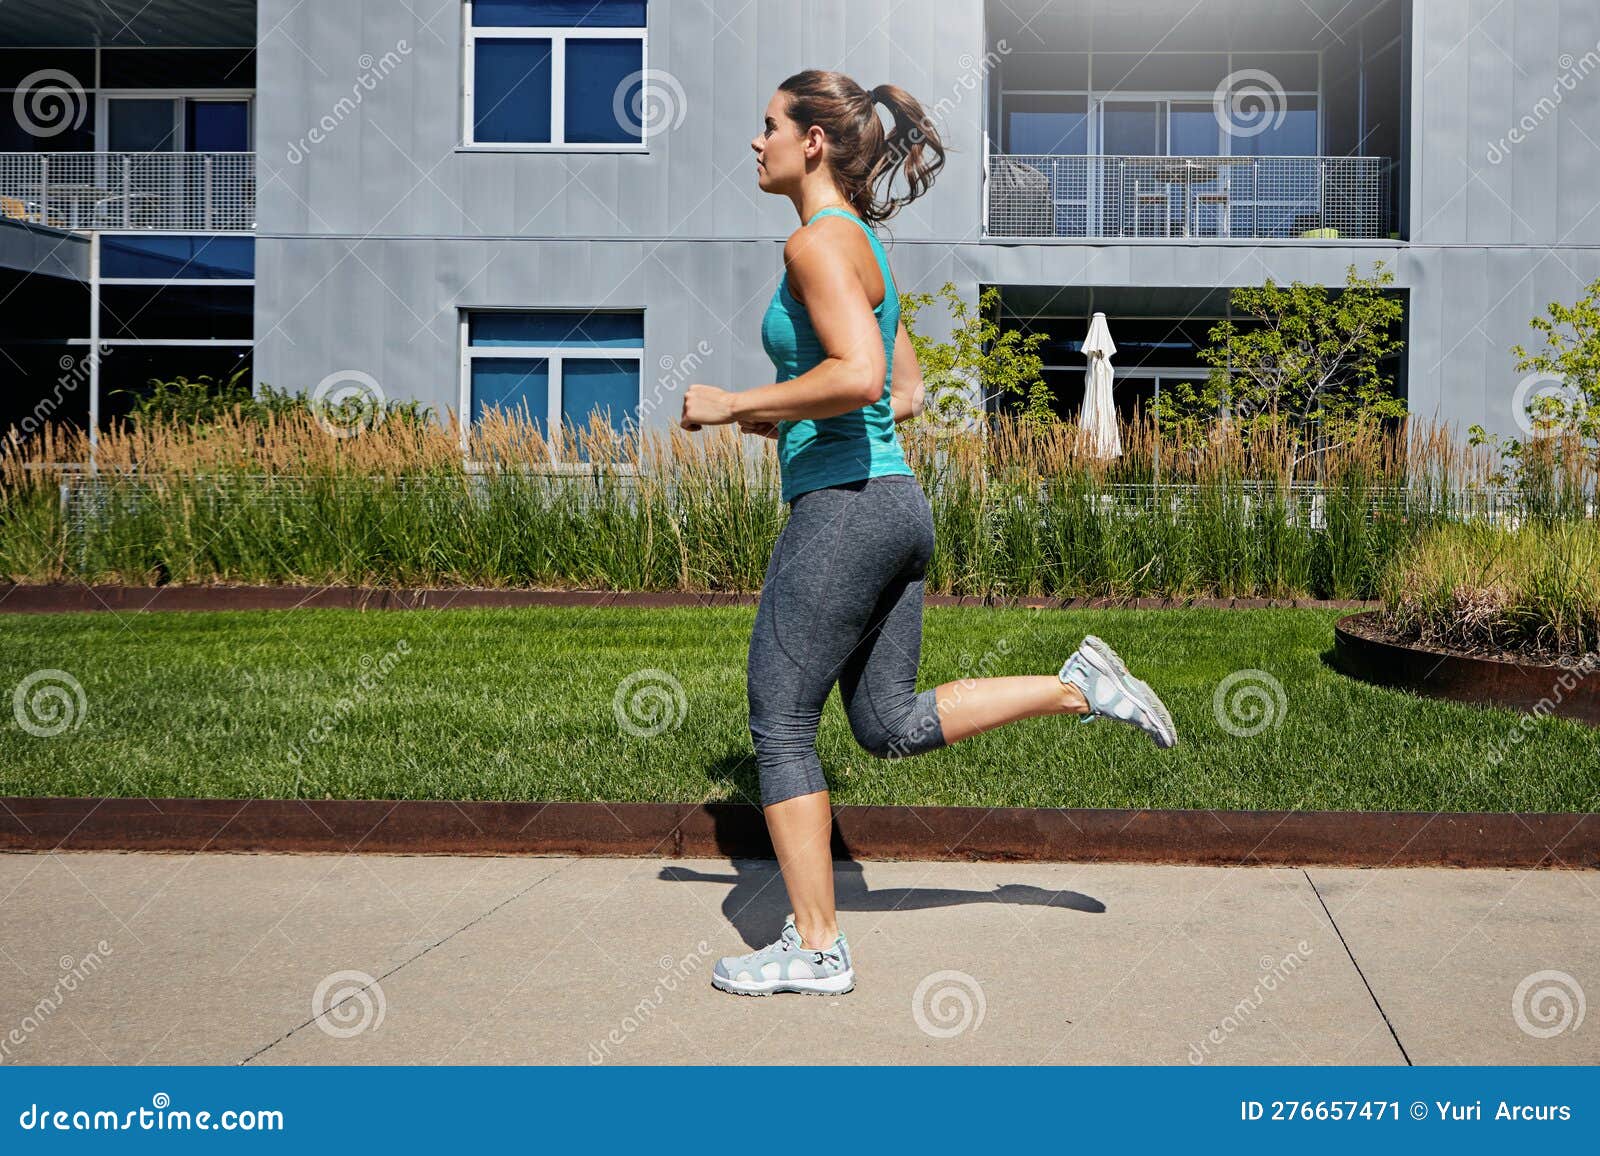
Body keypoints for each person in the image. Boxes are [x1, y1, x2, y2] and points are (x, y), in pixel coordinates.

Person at [678, 70, 1178, 997]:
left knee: (780, 720)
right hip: (895, 504)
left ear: (812, 142)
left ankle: (817, 949)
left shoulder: (814, 244)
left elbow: (863, 379)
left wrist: (736, 403)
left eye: (769, 125)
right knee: (885, 724)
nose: (756, 142)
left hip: (846, 508)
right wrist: (787, 422)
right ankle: (1077, 687)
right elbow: (904, 393)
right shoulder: (864, 245)